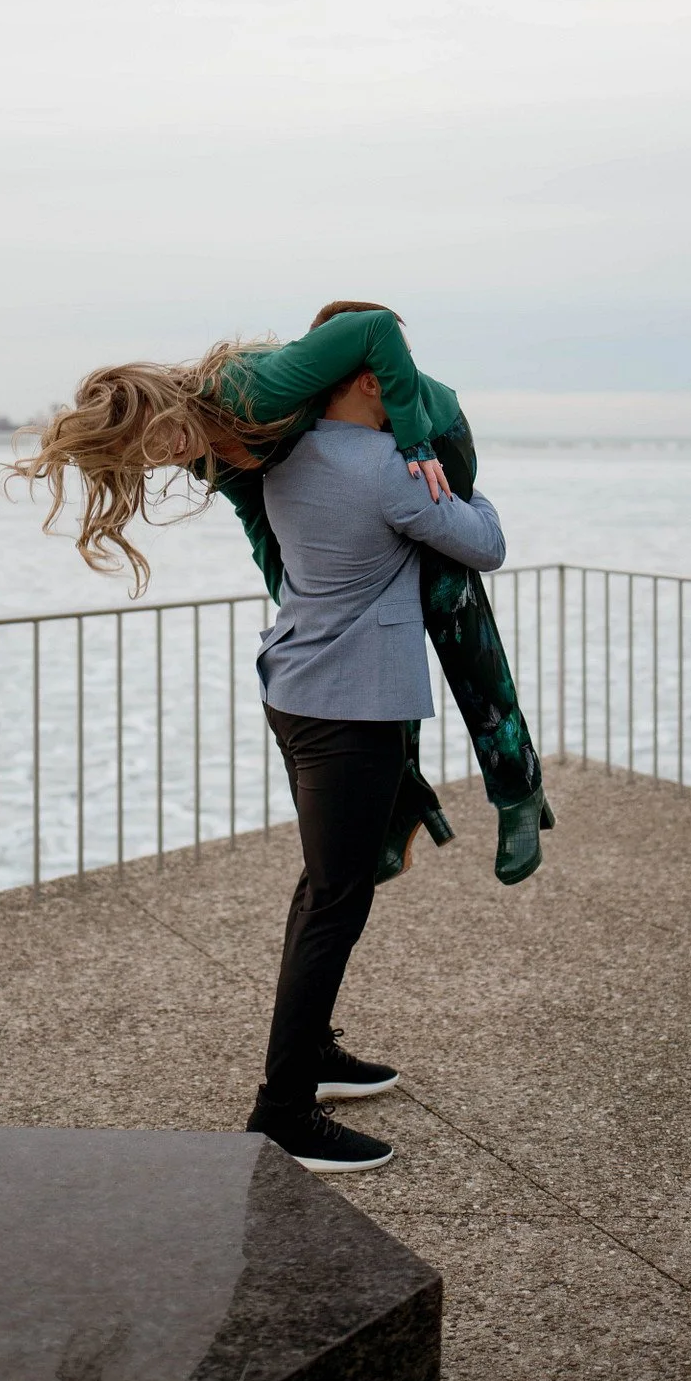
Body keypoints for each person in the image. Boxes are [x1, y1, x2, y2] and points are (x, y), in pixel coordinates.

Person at [7, 302, 553, 882]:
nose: (161, 455)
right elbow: (261, 524)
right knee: (386, 615)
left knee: (448, 603)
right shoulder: (205, 453)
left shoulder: (248, 388)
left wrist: (416, 442)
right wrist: (298, 601)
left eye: (158, 437)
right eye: (146, 457)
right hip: (374, 468)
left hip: (427, 431)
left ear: (164, 404)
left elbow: (373, 330)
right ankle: (404, 796)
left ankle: (516, 785)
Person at [245, 363, 507, 1171]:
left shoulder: (282, 457)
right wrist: (467, 483)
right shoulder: (386, 473)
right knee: (335, 904)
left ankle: (312, 1056)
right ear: (364, 381)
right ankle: (281, 1112)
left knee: (321, 888)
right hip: (351, 712)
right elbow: (486, 543)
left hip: (295, 692)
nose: (408, 396)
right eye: (395, 379)